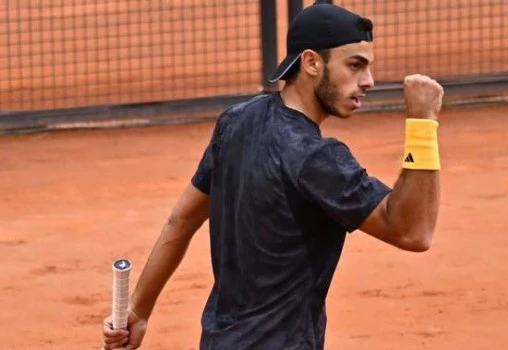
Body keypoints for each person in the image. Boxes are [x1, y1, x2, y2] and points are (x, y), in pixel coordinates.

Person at [102, 2, 443, 349]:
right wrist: (422, 125)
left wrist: (139, 311)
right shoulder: (316, 158)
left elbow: (181, 220)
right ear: (311, 62)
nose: (368, 81)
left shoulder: (236, 121)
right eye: (355, 65)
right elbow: (413, 231)